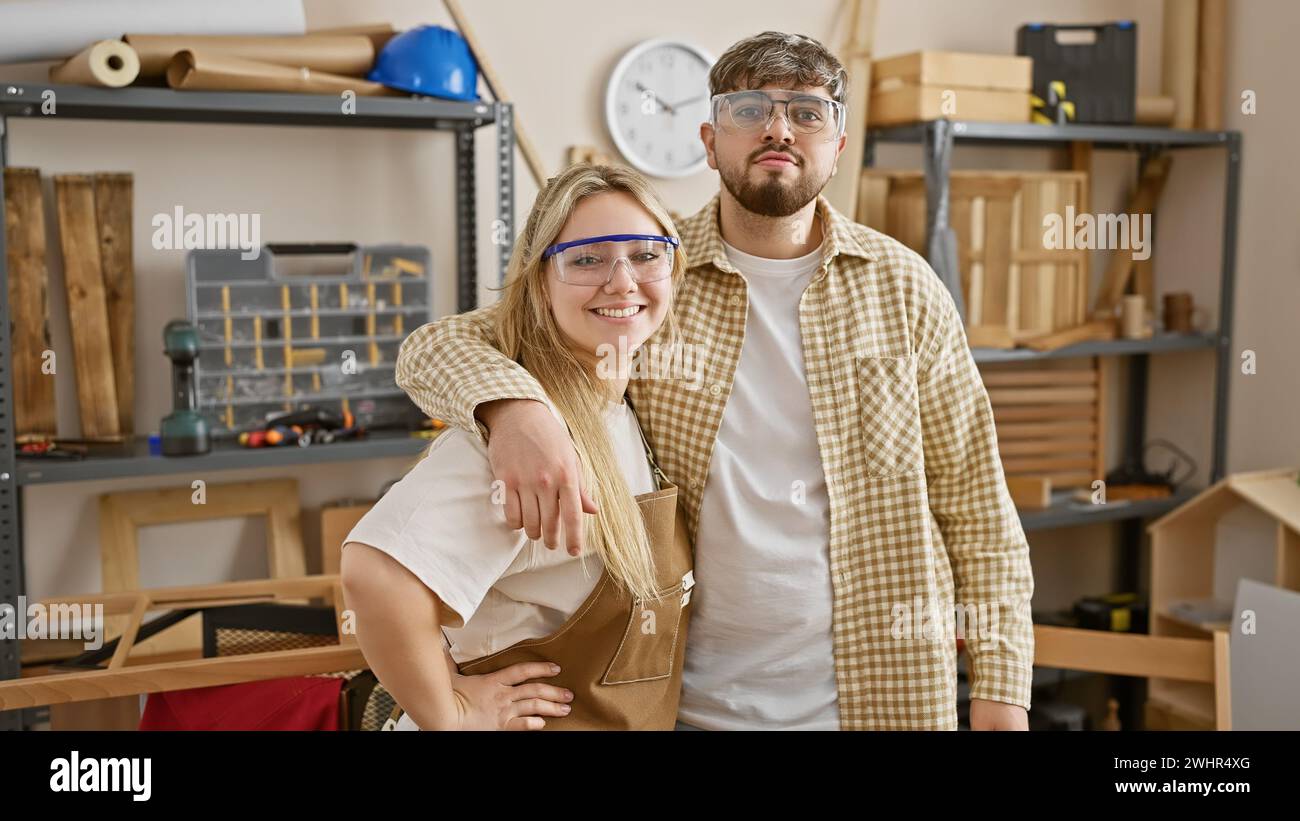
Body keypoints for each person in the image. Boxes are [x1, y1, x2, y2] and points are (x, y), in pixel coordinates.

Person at [394, 31, 1034, 730]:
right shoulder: (649, 282)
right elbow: (438, 344)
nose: (778, 129)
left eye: (807, 113)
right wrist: (513, 411)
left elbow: (979, 506)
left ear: (839, 144)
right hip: (691, 706)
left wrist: (1002, 694)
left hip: (882, 699)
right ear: (709, 139)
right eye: (749, 109)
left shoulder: (906, 289)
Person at [340, 162, 695, 730]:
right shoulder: (525, 441)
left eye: (645, 255)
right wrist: (452, 713)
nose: (623, 282)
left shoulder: (623, 406)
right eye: (586, 259)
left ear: (673, 270)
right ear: (539, 283)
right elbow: (376, 576)